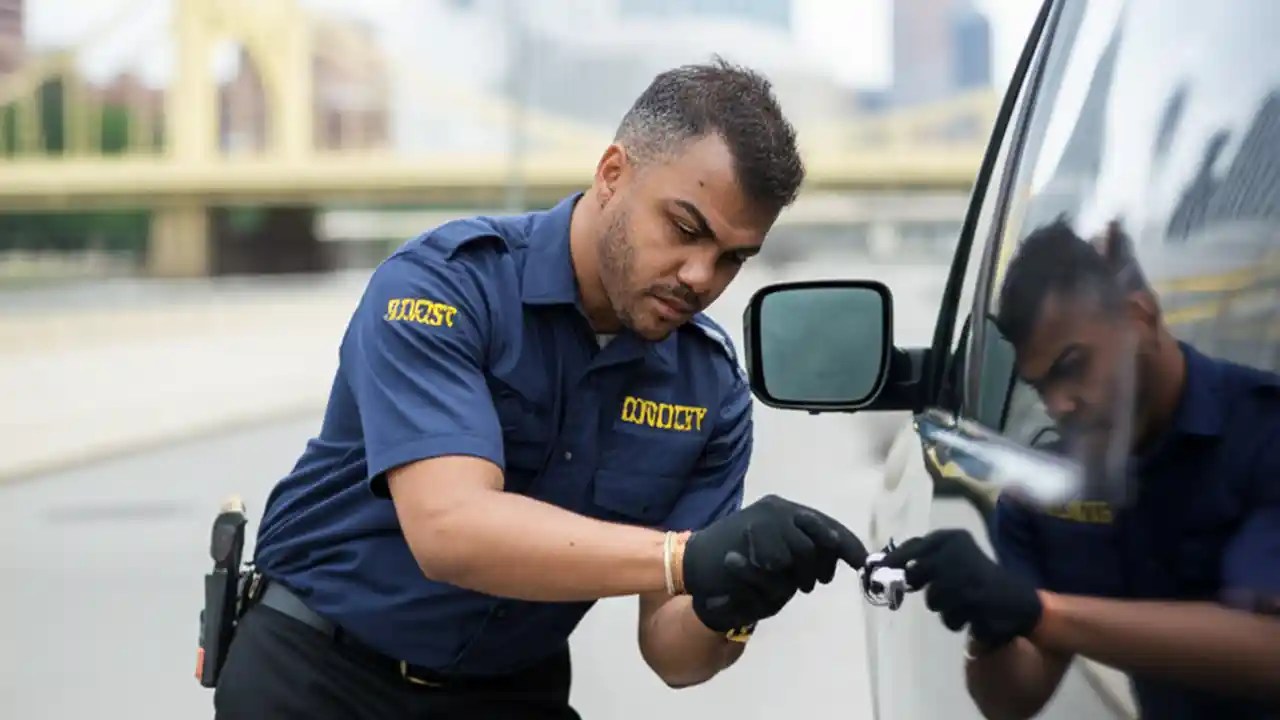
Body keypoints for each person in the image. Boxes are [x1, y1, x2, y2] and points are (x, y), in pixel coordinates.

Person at [212, 58, 868, 719]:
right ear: (613, 174)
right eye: (685, 229)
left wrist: (739, 595)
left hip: (513, 691)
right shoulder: (444, 289)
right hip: (319, 679)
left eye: (732, 257)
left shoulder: (711, 388)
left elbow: (674, 654)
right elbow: (452, 530)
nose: (701, 276)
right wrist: (687, 556)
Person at [884, 219, 1280, 718]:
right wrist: (990, 620)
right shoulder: (1047, 489)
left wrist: (1042, 612)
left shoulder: (1263, 430)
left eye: (1071, 366)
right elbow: (1012, 700)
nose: (1059, 404)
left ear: (1139, 319)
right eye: (1039, 387)